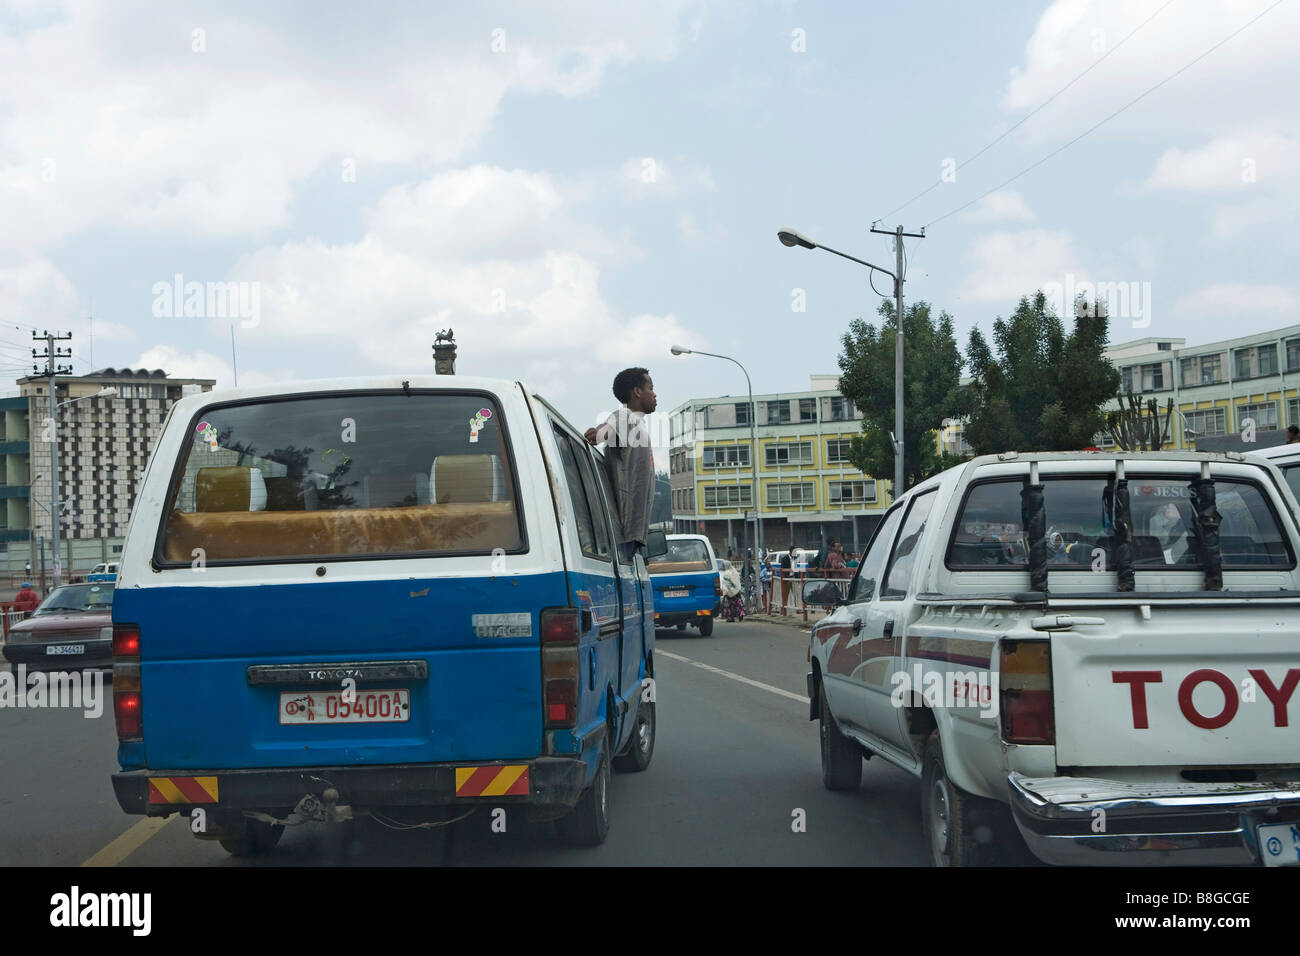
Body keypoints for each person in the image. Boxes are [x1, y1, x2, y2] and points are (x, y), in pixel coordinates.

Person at [585, 367, 657, 564]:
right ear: (638, 392)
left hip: (628, 537)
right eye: (651, 387)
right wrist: (599, 433)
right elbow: (607, 429)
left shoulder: (636, 425)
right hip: (623, 537)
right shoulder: (626, 417)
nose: (655, 393)